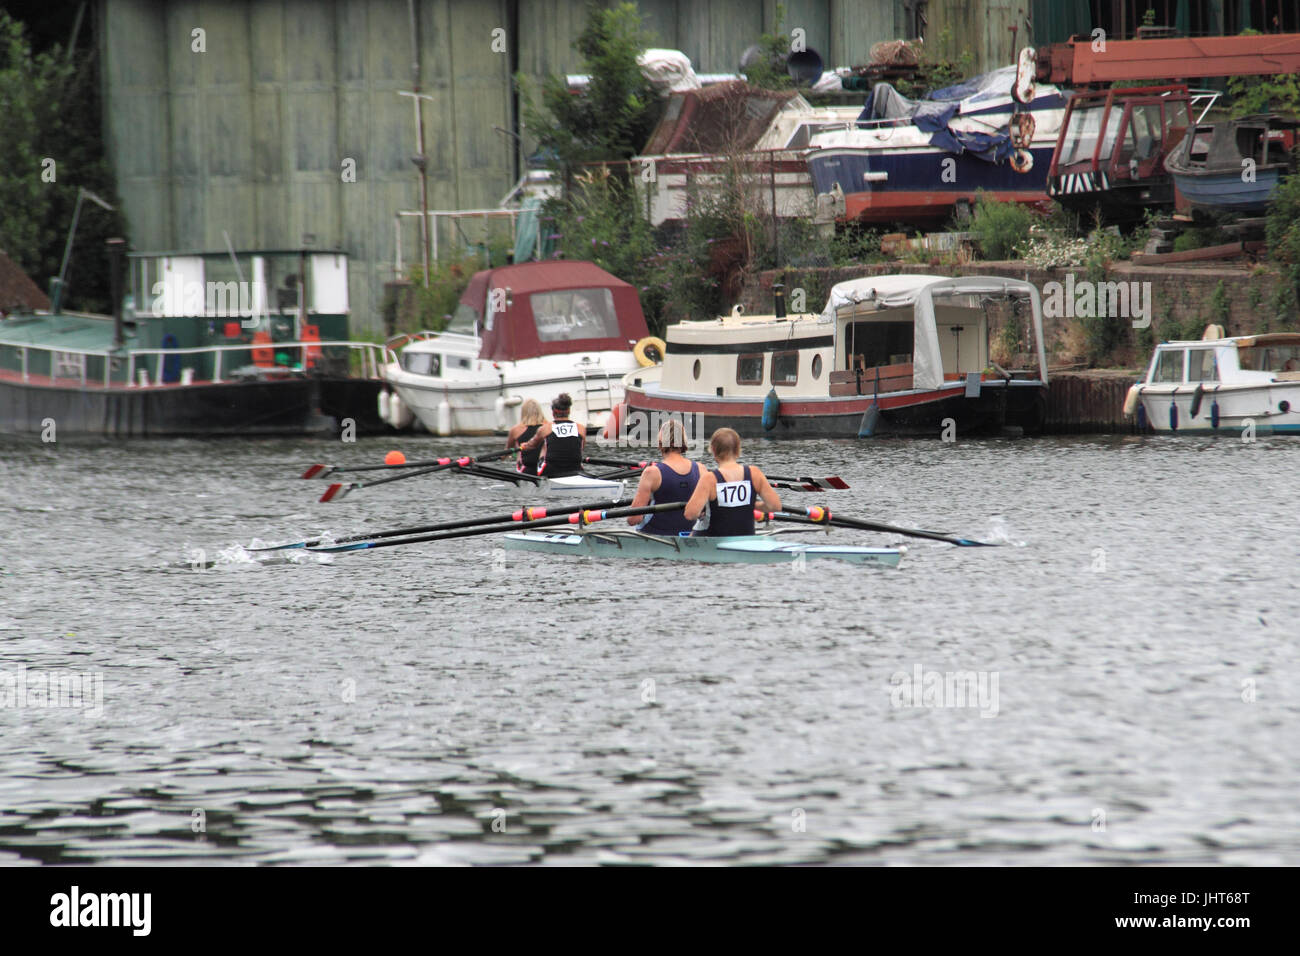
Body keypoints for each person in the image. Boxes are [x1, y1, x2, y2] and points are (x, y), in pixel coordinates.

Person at [684, 427, 781, 536]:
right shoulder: (755, 473)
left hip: (712, 542)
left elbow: (690, 514)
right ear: (738, 449)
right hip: (745, 539)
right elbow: (775, 506)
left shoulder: (709, 479)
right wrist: (752, 505)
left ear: (713, 449)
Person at [627, 419, 700, 536]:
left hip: (656, 536)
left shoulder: (652, 473)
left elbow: (633, 519)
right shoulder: (700, 469)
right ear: (683, 442)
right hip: (691, 536)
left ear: (660, 442)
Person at [521, 393, 585, 477]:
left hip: (551, 471)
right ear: (569, 411)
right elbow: (581, 448)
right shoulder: (581, 428)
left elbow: (532, 445)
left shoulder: (545, 428)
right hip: (575, 469)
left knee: (544, 446)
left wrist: (524, 446)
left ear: (553, 412)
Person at [505, 399, 547, 475]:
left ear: (523, 413)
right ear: (540, 411)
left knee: (517, 452)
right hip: (544, 468)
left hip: (526, 470)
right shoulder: (548, 427)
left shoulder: (515, 430)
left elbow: (506, 453)